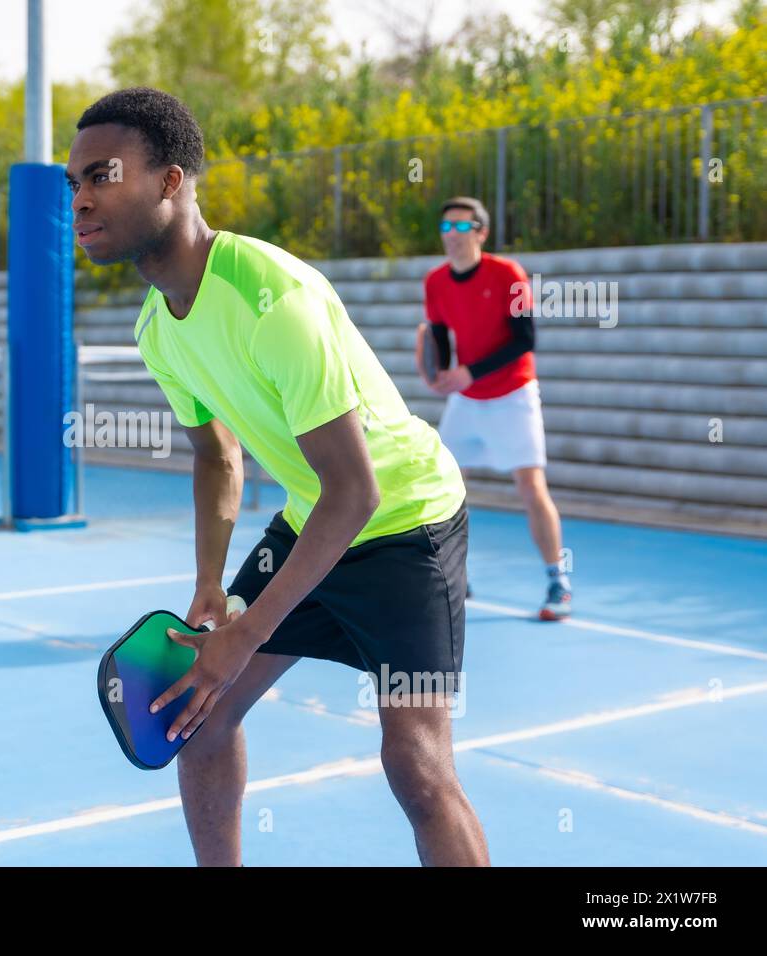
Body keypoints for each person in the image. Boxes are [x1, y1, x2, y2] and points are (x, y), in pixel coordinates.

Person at [67, 87, 489, 866]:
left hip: (404, 522)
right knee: (200, 715)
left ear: (170, 181)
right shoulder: (157, 327)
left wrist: (247, 633)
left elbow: (356, 491)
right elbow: (215, 455)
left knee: (418, 769)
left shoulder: (272, 298)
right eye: (74, 184)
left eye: (103, 176)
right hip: (312, 519)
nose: (83, 200)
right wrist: (207, 583)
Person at [418, 197, 572, 621]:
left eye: (462, 228)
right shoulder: (434, 282)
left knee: (530, 486)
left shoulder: (509, 274)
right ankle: (453, 576)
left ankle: (558, 581)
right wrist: (445, 375)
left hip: (513, 393)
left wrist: (470, 372)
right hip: (466, 399)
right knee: (443, 486)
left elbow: (525, 340)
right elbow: (440, 337)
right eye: (446, 227)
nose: (452, 235)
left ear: (481, 233)